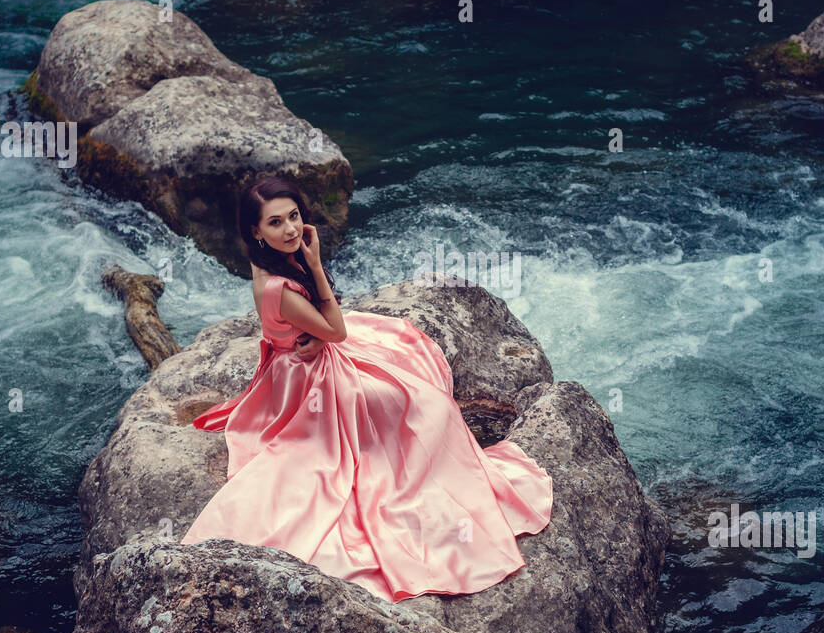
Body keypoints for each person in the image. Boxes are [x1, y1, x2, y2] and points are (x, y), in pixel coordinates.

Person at [180, 176, 553, 603]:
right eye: (276, 223)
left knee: (409, 358)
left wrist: (311, 333)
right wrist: (316, 269)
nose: (290, 230)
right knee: (416, 405)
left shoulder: (265, 261)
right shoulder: (279, 286)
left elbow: (321, 329)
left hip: (295, 361)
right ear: (255, 232)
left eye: (295, 217)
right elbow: (337, 330)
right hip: (308, 379)